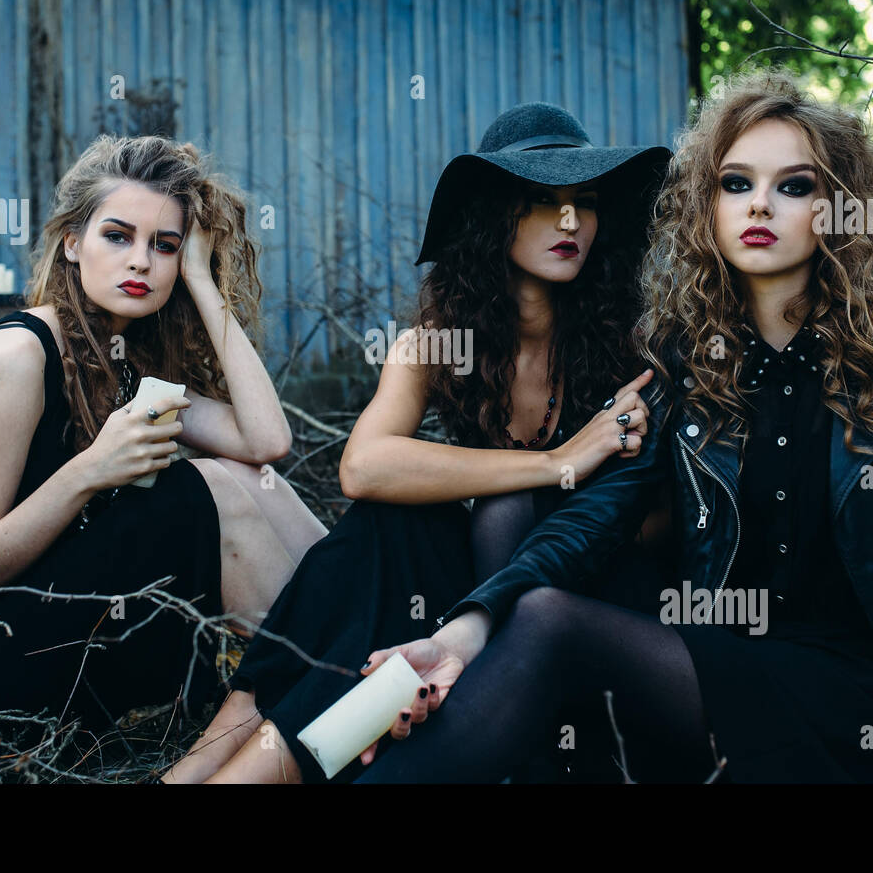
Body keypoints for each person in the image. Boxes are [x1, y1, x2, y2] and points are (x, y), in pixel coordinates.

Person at [353, 69, 873, 783]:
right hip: (719, 667)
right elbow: (591, 521)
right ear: (707, 205)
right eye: (735, 183)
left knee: (550, 625)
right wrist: (464, 630)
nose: (760, 204)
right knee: (532, 582)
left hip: (870, 701)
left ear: (839, 209)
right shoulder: (689, 360)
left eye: (795, 186)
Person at [164, 102, 672, 783]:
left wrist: (585, 467)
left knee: (485, 518)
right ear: (494, 215)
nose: (572, 222)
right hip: (480, 595)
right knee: (388, 528)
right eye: (543, 202)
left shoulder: (632, 345)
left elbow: (655, 523)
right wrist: (555, 461)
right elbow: (364, 467)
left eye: (585, 202)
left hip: (585, 598)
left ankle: (225, 776)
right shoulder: (438, 343)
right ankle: (203, 773)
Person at [0, 135, 328, 730]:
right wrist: (92, 469)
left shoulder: (125, 366)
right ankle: (322, 674)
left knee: (241, 475)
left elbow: (266, 444)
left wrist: (201, 277)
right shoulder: (15, 356)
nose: (141, 260)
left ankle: (340, 641)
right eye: (118, 236)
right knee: (206, 486)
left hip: (53, 629)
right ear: (72, 243)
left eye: (164, 246)